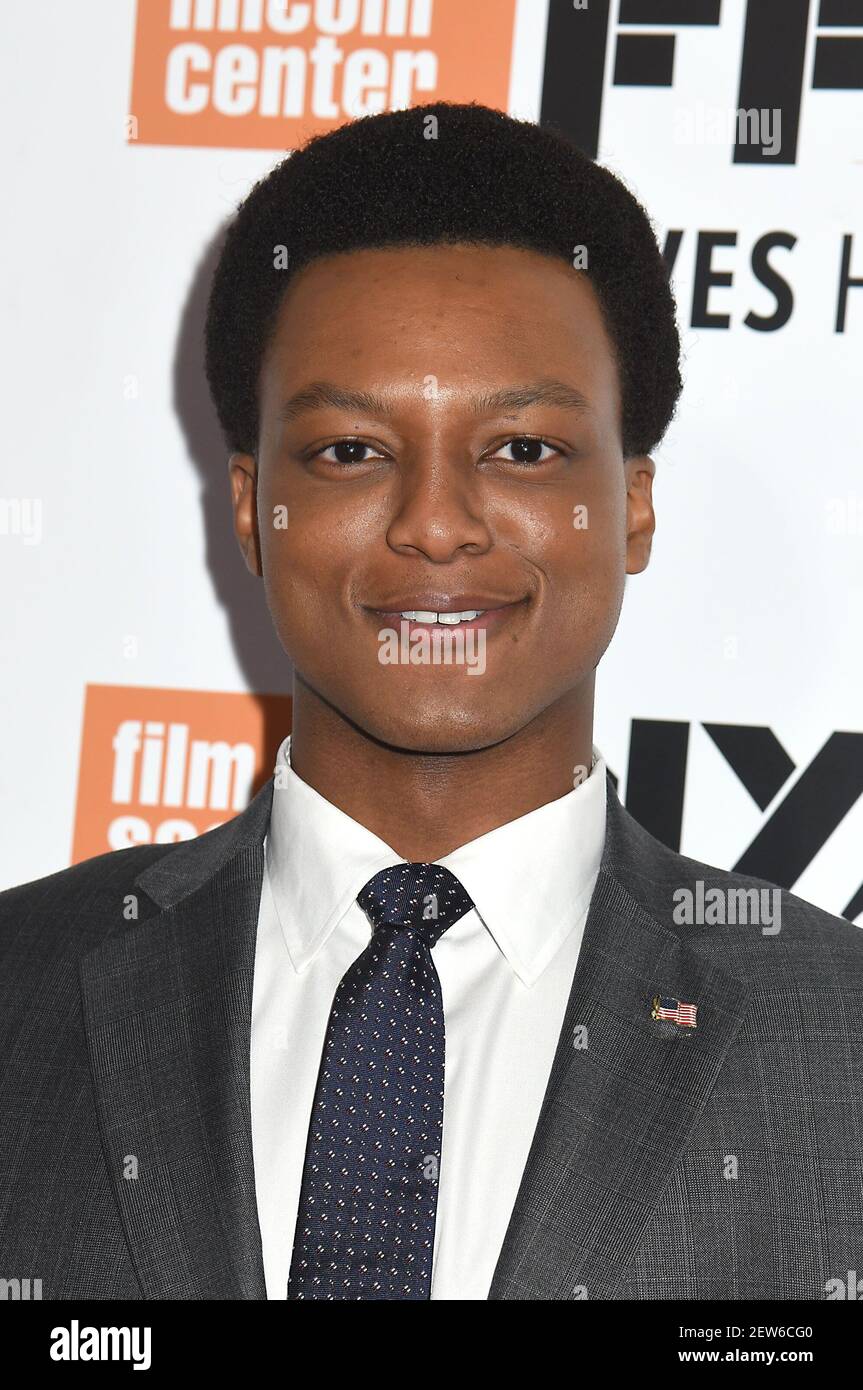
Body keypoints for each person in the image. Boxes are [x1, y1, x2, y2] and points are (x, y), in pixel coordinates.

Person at [1, 102, 860, 1302]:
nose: (436, 523)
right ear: (251, 510)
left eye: (521, 450)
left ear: (635, 507)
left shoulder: (840, 1046)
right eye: (351, 451)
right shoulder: (20, 986)